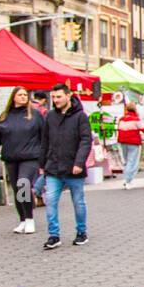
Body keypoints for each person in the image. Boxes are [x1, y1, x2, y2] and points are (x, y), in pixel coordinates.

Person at [0, 86, 45, 234]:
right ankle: (22, 220)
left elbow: (44, 137)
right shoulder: (5, 116)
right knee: (17, 190)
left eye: (25, 95)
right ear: (13, 98)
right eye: (20, 95)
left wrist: (45, 158)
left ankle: (29, 219)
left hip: (30, 157)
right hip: (11, 158)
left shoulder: (35, 115)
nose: (23, 97)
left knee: (23, 184)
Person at [39, 83, 93, 250]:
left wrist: (79, 162)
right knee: (50, 201)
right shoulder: (50, 116)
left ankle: (81, 232)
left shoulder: (80, 116)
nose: (56, 100)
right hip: (53, 167)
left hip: (73, 168)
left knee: (78, 202)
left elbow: (86, 141)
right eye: (53, 97)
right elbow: (45, 141)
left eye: (59, 97)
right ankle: (54, 235)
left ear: (68, 96)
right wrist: (42, 164)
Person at [115, 102, 144, 189]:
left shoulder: (122, 119)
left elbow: (119, 129)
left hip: (122, 142)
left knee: (126, 161)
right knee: (132, 161)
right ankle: (128, 180)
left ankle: (127, 179)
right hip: (133, 142)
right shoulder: (136, 119)